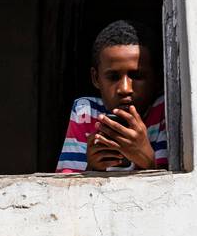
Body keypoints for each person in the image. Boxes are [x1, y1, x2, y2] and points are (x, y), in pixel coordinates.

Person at [56, 19, 168, 173]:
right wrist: (92, 167)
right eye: (113, 77)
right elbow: (65, 189)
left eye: (136, 75)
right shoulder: (86, 112)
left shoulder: (165, 110)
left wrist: (146, 158)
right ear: (96, 78)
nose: (124, 89)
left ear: (157, 78)